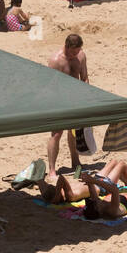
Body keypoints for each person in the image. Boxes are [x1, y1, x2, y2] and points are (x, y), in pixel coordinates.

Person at [46, 34, 88, 171]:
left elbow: (85, 77)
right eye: (72, 52)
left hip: (76, 100)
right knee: (56, 134)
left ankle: (75, 162)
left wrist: (86, 96)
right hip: (60, 101)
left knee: (74, 132)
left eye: (77, 51)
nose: (74, 55)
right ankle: (52, 169)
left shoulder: (81, 56)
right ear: (66, 46)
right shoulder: (56, 61)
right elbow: (51, 87)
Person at [36, 158, 127, 204]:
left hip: (95, 179)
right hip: (102, 185)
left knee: (113, 162)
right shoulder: (70, 195)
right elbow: (61, 179)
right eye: (54, 188)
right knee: (122, 164)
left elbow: (41, 181)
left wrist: (39, 181)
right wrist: (55, 198)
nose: (54, 186)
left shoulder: (62, 191)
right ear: (57, 192)